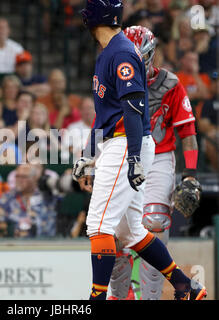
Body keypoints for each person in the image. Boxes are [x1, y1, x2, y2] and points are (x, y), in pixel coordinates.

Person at [72, 0, 206, 300]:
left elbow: (133, 110)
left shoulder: (121, 52)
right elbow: (105, 113)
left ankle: (97, 297)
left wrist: (133, 157)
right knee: (131, 232)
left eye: (90, 9)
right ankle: (185, 286)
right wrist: (88, 154)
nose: (85, 13)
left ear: (99, 17)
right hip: (118, 143)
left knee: (98, 224)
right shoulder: (109, 51)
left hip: (125, 144)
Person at [107, 26, 201, 300]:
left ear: (151, 55)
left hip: (158, 157)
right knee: (112, 234)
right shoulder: (111, 83)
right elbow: (100, 127)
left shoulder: (170, 84)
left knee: (155, 224)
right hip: (122, 155)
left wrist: (190, 176)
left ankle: (150, 297)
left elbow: (188, 132)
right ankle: (121, 295)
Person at [0, 163, 58, 238]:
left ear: (34, 178)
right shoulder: (8, 197)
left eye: (24, 177)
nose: (19, 180)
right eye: (17, 176)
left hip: (46, 243)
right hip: (14, 243)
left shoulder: (47, 196)